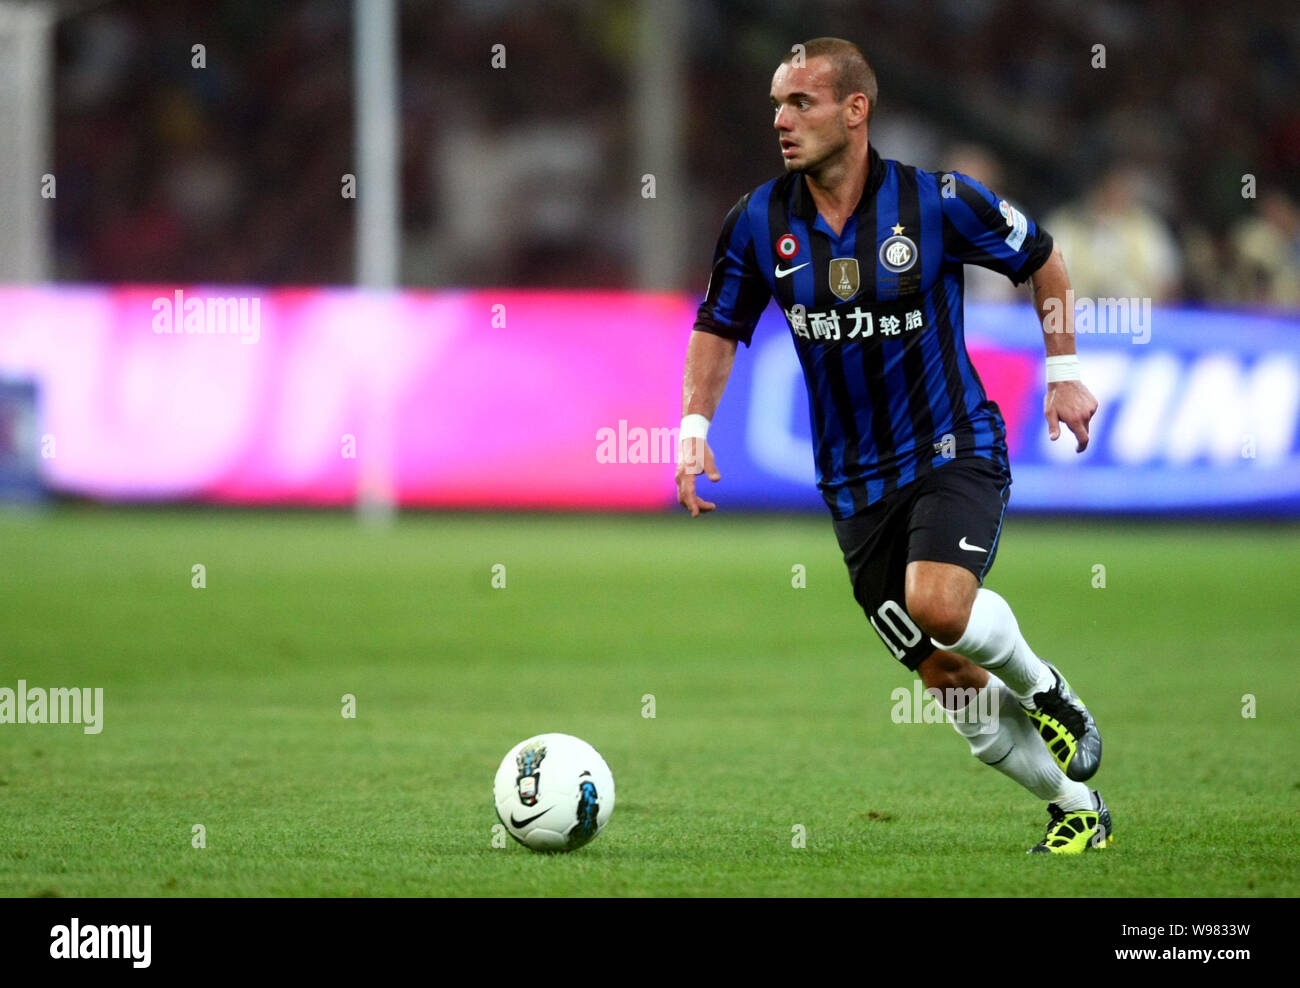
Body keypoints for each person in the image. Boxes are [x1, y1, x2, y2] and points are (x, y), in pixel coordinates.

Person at [675, 38, 1110, 854]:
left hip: (954, 447)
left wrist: (1066, 372)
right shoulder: (757, 221)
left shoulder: (938, 201)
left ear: (855, 109)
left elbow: (1043, 258)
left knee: (939, 606)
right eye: (777, 103)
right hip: (852, 485)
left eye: (801, 102)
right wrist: (694, 429)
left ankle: (1049, 690)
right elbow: (717, 326)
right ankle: (1076, 804)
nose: (781, 120)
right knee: (950, 685)